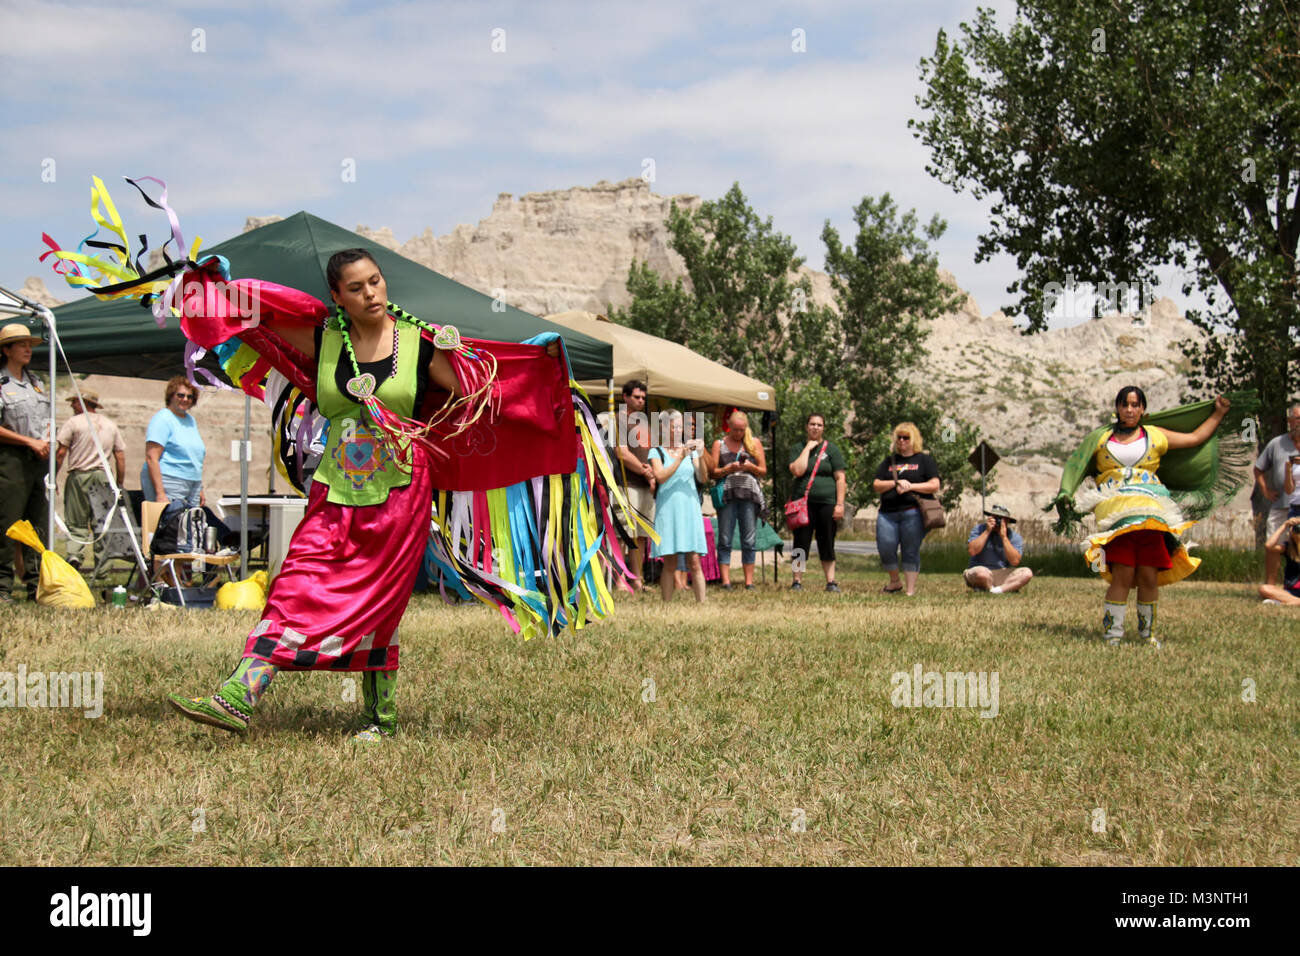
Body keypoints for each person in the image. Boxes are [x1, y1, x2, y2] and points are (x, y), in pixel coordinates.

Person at [163, 248, 575, 740]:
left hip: (401, 491)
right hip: (335, 485)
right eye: (355, 288)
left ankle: (380, 718)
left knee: (382, 600)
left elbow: (480, 389)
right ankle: (239, 695)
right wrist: (215, 292)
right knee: (297, 580)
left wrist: (528, 361)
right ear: (337, 296)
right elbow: (260, 326)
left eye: (375, 282)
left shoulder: (419, 344)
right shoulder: (326, 340)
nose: (370, 293)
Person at [1061, 386, 1233, 647]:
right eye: (1124, 404)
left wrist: (1218, 414)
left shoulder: (1155, 435)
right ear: (1117, 408)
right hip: (1116, 510)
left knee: (1148, 574)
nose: (1129, 410)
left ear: (1143, 409)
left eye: (1135, 405)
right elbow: (1076, 464)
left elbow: (1195, 438)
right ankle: (1113, 635)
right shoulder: (1099, 438)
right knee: (1123, 572)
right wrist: (1065, 493)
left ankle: (1147, 634)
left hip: (1151, 510)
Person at [0, 323, 51, 603]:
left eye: (29, 344)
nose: (28, 349)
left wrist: (44, 441)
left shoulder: (37, 382)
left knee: (37, 525)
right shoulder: (0, 383)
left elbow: (44, 420)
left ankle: (35, 586)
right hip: (11, 459)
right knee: (7, 525)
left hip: (38, 459)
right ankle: (2, 587)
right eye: (21, 344)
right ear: (6, 350)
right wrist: (29, 442)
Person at [55, 390, 126, 570]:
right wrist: (119, 484)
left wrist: (53, 477)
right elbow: (120, 457)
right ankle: (103, 567)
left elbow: (61, 453)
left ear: (82, 403)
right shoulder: (110, 425)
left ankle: (74, 555)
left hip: (79, 475)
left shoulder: (73, 423)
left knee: (76, 521)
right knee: (101, 523)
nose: (72, 405)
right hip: (104, 477)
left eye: (74, 402)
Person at [872, 422, 941, 596]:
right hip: (887, 512)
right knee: (886, 547)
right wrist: (895, 483)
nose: (902, 441)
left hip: (913, 511)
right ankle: (895, 581)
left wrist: (911, 487)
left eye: (906, 437)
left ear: (914, 439)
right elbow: (876, 484)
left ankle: (910, 590)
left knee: (910, 550)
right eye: (899, 437)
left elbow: (934, 485)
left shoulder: (923, 460)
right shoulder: (889, 461)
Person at [647, 410, 709, 602]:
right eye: (675, 426)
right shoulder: (656, 451)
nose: (679, 430)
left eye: (681, 426)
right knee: (670, 561)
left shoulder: (690, 452)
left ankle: (702, 603)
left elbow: (703, 477)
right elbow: (661, 477)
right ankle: (666, 605)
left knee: (694, 560)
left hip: (689, 509)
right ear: (664, 427)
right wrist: (680, 458)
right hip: (668, 510)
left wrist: (701, 454)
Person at [788, 412, 847, 592]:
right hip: (803, 504)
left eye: (819, 425)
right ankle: (797, 581)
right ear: (807, 427)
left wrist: (839, 504)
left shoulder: (832, 450)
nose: (815, 427)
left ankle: (831, 581)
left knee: (827, 541)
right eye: (812, 424)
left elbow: (840, 478)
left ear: (823, 428)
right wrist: (808, 448)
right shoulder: (798, 448)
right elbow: (797, 471)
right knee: (800, 543)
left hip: (827, 504)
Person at [710, 408, 766, 590]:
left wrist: (750, 467)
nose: (738, 433)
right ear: (729, 427)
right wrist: (729, 468)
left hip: (749, 495)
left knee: (749, 539)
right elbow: (713, 472)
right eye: (735, 429)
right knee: (725, 538)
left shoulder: (753, 443)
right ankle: (726, 581)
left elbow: (763, 470)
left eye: (742, 430)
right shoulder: (719, 444)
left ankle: (749, 581)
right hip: (727, 496)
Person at [141, 375, 206, 508]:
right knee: (171, 523)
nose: (185, 399)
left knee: (191, 524)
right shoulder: (163, 419)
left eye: (189, 396)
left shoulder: (190, 420)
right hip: (169, 479)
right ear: (171, 396)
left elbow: (193, 456)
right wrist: (160, 493)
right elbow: (151, 457)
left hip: (192, 481)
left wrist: (200, 487)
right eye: (180, 395)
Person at [616, 379, 656, 592]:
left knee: (640, 535)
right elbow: (621, 453)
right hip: (626, 484)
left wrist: (652, 475)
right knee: (625, 534)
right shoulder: (619, 420)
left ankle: (637, 580)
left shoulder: (645, 424)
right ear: (625, 397)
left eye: (643, 397)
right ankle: (620, 579)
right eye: (636, 397)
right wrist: (645, 471)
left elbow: (652, 453)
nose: (641, 401)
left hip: (644, 485)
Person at [1254, 404, 1300, 585]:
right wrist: (1265, 490)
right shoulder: (1277, 444)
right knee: (1274, 548)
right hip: (1281, 505)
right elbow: (1258, 469)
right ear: (1289, 421)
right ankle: (1271, 587)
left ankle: (1293, 588)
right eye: (1297, 419)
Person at [964, 503, 1033, 593]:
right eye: (995, 517)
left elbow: (1015, 561)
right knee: (981, 574)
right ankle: (1001, 588)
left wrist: (1004, 537)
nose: (997, 521)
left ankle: (995, 590)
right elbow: (972, 551)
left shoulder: (1014, 537)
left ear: (1007, 521)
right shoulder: (979, 529)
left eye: (1001, 519)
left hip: (1002, 572)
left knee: (1027, 573)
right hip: (980, 571)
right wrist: (987, 531)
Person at [1258, 515, 1300, 605]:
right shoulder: (1289, 548)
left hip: (1292, 594)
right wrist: (1285, 525)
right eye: (1296, 529)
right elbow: (1269, 546)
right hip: (1291, 592)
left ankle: (1287, 602)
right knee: (1264, 588)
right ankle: (1295, 601)